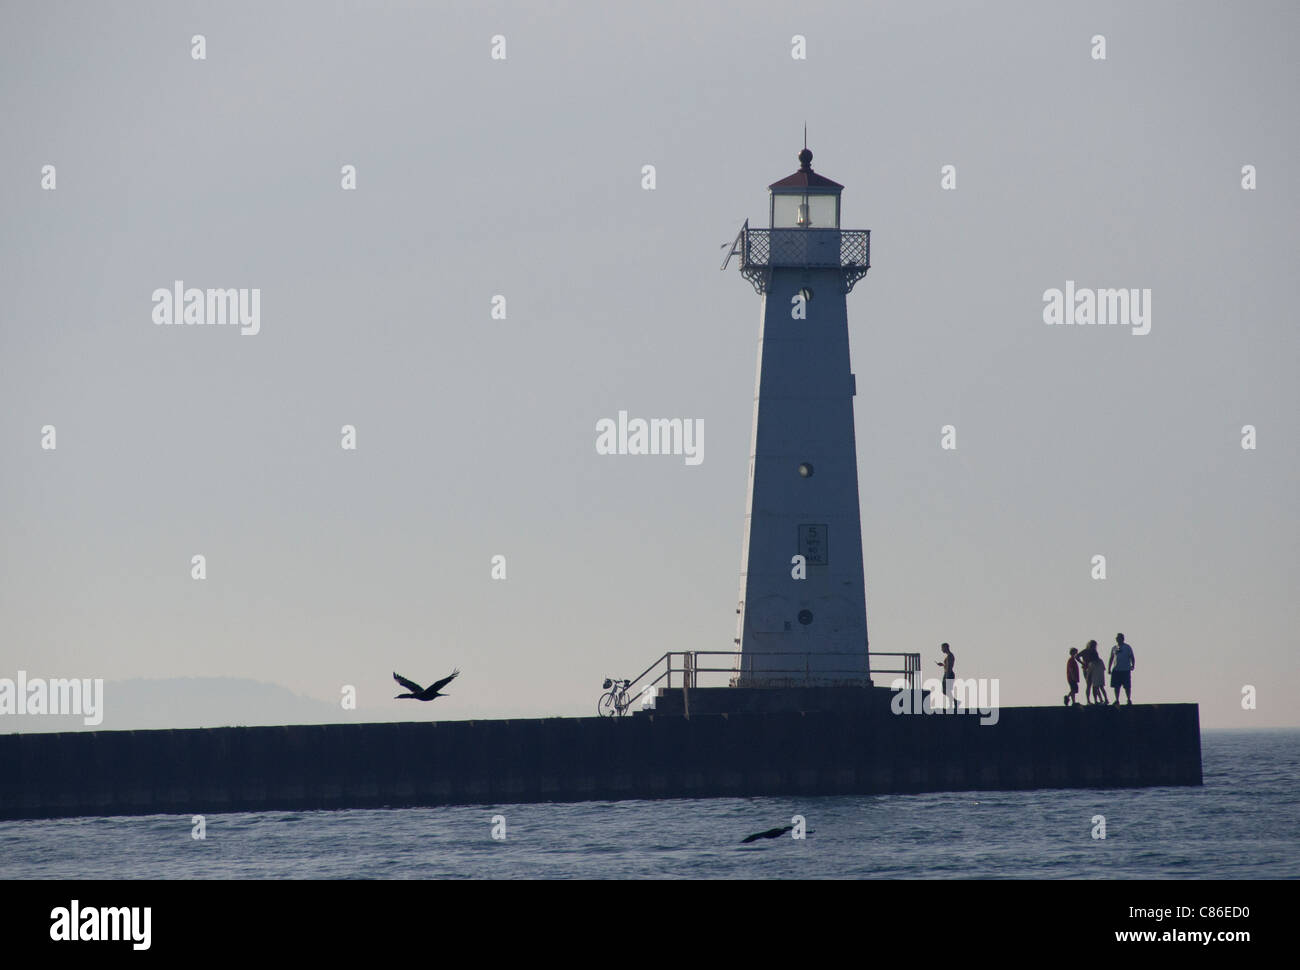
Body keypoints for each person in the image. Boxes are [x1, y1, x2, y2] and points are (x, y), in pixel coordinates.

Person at [1108, 633, 1135, 705]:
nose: (1117, 639)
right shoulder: (1114, 648)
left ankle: (1128, 699)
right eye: (1117, 638)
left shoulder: (1127, 647)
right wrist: (1109, 668)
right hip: (1116, 669)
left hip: (1125, 669)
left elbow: (1132, 657)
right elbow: (1111, 658)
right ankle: (1117, 700)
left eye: (1119, 638)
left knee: (1127, 686)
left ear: (1122, 638)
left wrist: (1133, 665)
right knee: (1116, 686)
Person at [1079, 640, 1108, 705]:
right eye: (1092, 645)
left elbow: (1097, 660)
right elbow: (1077, 656)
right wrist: (1082, 663)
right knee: (1089, 685)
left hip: (1093, 669)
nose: (1093, 646)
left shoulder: (1094, 652)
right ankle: (1088, 701)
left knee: (1095, 685)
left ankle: (1095, 700)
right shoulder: (1085, 651)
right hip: (1087, 669)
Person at [936, 643, 957, 710]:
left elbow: (949, 667)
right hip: (947, 673)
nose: (941, 650)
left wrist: (947, 677)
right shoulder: (948, 656)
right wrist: (942, 665)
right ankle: (954, 702)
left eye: (942, 648)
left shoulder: (950, 656)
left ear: (946, 648)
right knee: (946, 691)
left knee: (947, 690)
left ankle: (953, 703)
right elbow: (947, 665)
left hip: (949, 674)